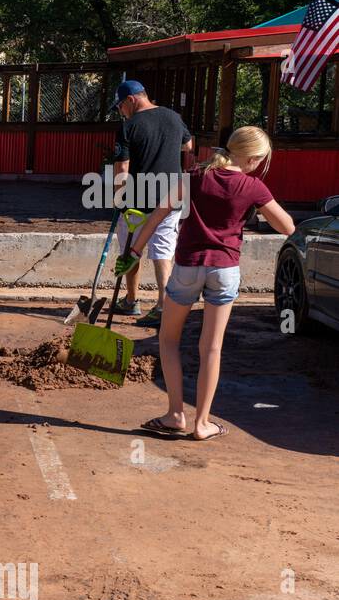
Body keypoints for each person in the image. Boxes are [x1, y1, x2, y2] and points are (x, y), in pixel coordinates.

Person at [116, 126, 294, 441]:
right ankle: (202, 424)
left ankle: (174, 415)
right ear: (252, 159)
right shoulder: (253, 186)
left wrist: (133, 252)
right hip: (225, 270)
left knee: (169, 340)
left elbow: (157, 215)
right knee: (211, 347)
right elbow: (288, 226)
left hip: (187, 266)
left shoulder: (194, 177)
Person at [109, 78, 194, 327]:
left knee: (131, 250)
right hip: (171, 196)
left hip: (137, 200)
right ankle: (163, 306)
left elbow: (122, 167)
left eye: (119, 107)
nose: (120, 112)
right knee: (163, 251)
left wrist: (117, 196)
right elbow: (188, 145)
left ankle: (132, 300)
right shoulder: (173, 117)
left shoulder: (129, 126)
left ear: (130, 100)